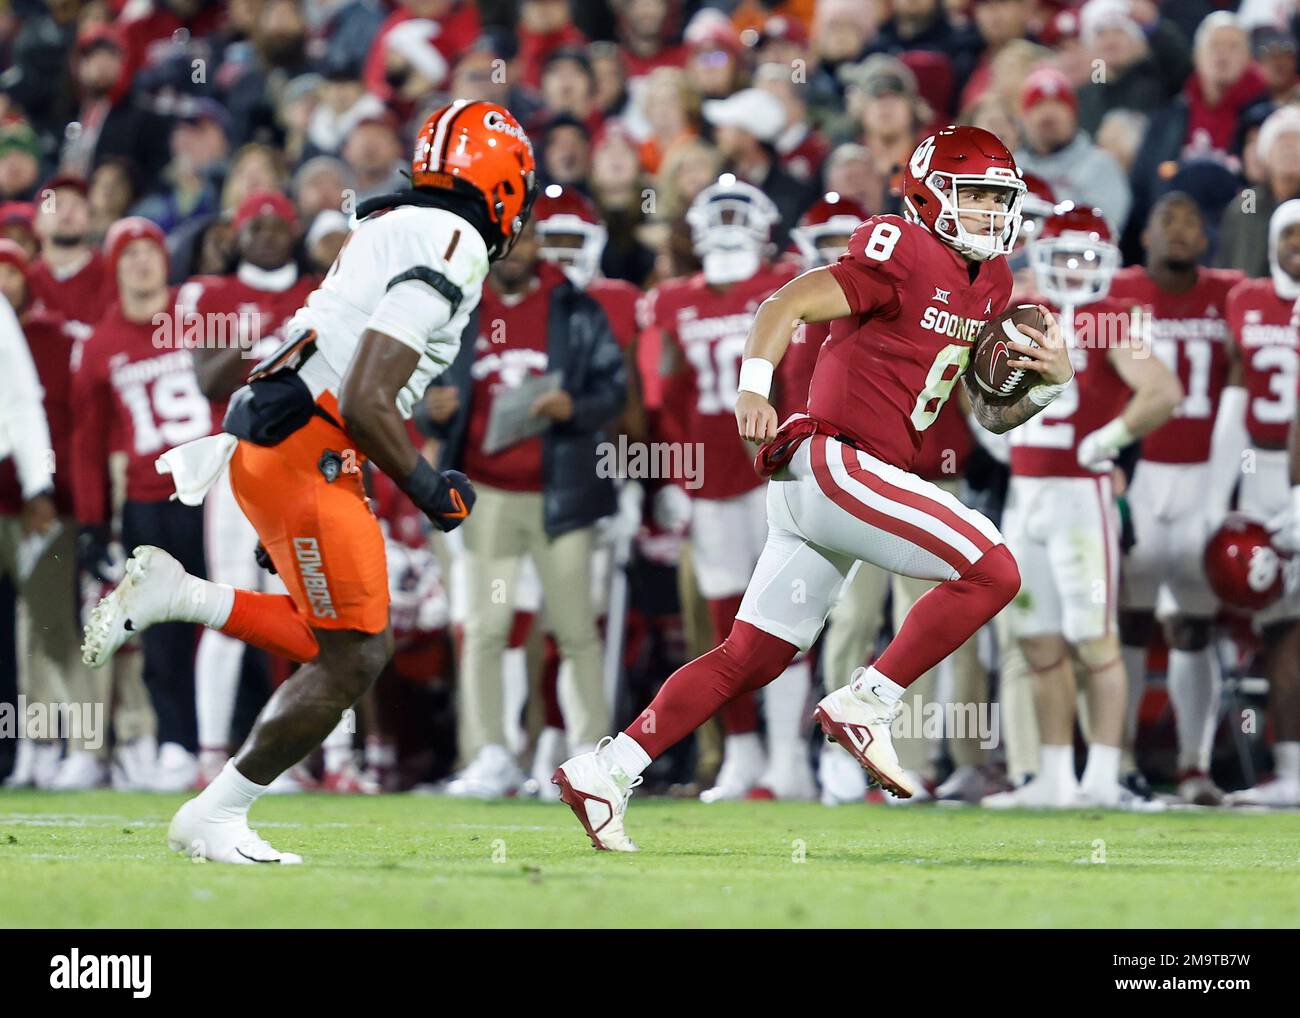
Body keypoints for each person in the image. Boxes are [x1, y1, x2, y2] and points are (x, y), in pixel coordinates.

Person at [553, 127, 1074, 851]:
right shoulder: (903, 246)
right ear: (929, 195)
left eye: (999, 198)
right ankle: (870, 701)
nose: (990, 211)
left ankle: (607, 768)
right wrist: (752, 388)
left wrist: (1048, 385)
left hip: (833, 482)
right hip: (838, 460)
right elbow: (784, 305)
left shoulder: (993, 283)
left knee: (751, 657)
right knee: (994, 570)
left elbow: (986, 411)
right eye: (975, 195)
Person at [80, 100, 538, 863]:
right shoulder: (452, 238)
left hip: (278, 433)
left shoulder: (388, 222)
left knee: (342, 640)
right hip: (310, 442)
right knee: (356, 656)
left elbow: (332, 357)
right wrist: (431, 489)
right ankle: (217, 813)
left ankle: (183, 595)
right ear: (500, 185)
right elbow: (364, 395)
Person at [416, 216, 626, 798]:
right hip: (485, 495)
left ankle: (591, 756)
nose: (515, 252)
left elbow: (615, 389)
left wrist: (574, 407)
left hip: (560, 495)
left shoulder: (576, 307)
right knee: (486, 628)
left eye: (526, 241)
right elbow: (417, 392)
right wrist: (432, 410)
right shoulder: (459, 311)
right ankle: (490, 754)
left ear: (539, 247)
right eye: (505, 244)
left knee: (577, 630)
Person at [985, 203, 1182, 809]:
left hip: (1080, 497)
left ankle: (1103, 776)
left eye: (1085, 257)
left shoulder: (1112, 318)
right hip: (1026, 493)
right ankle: (1052, 776)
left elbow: (1163, 390)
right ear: (1042, 254)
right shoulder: (1019, 311)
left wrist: (1111, 440)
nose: (1072, 268)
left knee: (1095, 640)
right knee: (1038, 640)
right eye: (1064, 254)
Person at [643, 177, 816, 802]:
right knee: (726, 622)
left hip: (777, 468)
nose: (728, 224)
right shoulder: (672, 302)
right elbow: (669, 399)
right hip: (709, 476)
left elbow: (801, 380)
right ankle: (743, 756)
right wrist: (673, 472)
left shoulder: (786, 286)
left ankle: (790, 759)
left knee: (786, 614)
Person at [180, 190, 320, 789]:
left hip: (306, 469)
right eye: (255, 224)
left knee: (312, 615)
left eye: (278, 223)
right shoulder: (213, 294)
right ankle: (211, 752)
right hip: (237, 465)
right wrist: (263, 341)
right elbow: (207, 377)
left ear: (294, 231)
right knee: (230, 606)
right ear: (237, 234)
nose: (267, 233)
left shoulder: (321, 288)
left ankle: (308, 759)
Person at [1109, 193, 1245, 805]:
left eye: (1193, 219)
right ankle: (1124, 760)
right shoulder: (1116, 292)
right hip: (1140, 471)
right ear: (1146, 235)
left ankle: (1194, 766)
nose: (1182, 230)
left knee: (1195, 623)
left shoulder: (1232, 292)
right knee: (1131, 620)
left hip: (1202, 475)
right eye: (1169, 219)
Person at [72, 218, 213, 791]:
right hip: (149, 502)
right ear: (115, 267)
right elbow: (86, 444)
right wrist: (89, 521)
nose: (140, 263)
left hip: (215, 493)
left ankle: (233, 738)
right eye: (127, 255)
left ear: (164, 259)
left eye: (149, 252)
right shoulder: (100, 342)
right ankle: (175, 742)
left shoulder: (201, 310)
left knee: (232, 617)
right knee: (161, 628)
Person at [1223, 200, 1300, 807]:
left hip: (1293, 472)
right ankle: (1290, 766)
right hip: (1259, 469)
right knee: (1279, 627)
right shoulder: (1244, 297)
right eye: (1290, 235)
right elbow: (1233, 382)